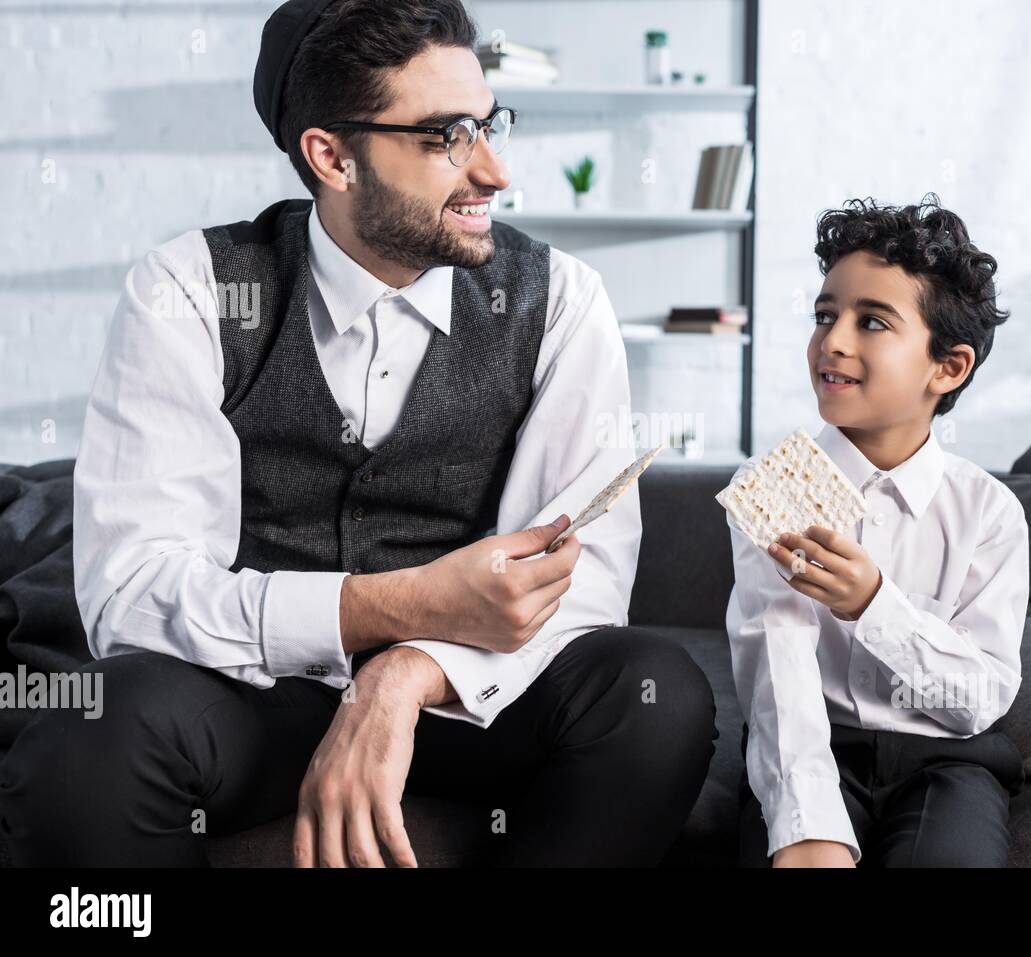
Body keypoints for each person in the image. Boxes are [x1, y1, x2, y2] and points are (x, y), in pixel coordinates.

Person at [0, 0, 716, 868]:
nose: (495, 170)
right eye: (448, 136)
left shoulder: (560, 301)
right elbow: (133, 595)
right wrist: (390, 605)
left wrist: (405, 670)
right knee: (94, 725)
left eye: (490, 125)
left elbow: (584, 582)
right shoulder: (189, 289)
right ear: (332, 156)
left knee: (655, 697)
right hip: (249, 700)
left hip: (464, 702)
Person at [726, 194, 1030, 867]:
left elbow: (978, 697)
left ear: (947, 366)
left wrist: (873, 605)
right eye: (826, 315)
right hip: (815, 745)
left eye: (872, 322)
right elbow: (777, 671)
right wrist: (806, 828)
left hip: (947, 762)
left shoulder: (991, 512)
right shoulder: (774, 487)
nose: (832, 340)